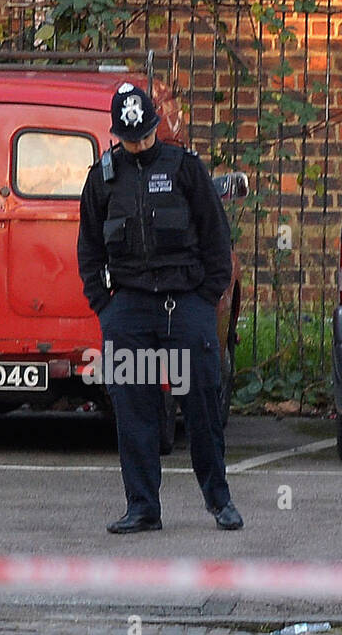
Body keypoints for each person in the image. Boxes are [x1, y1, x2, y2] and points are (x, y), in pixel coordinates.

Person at [77, 83, 244, 533]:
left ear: (156, 126)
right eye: (131, 138)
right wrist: (105, 308)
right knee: (133, 411)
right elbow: (89, 249)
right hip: (129, 309)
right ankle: (143, 507)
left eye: (146, 134)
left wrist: (206, 298)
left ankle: (219, 500)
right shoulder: (102, 178)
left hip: (185, 305)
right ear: (118, 135)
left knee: (203, 408)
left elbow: (216, 238)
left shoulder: (185, 168)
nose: (140, 144)